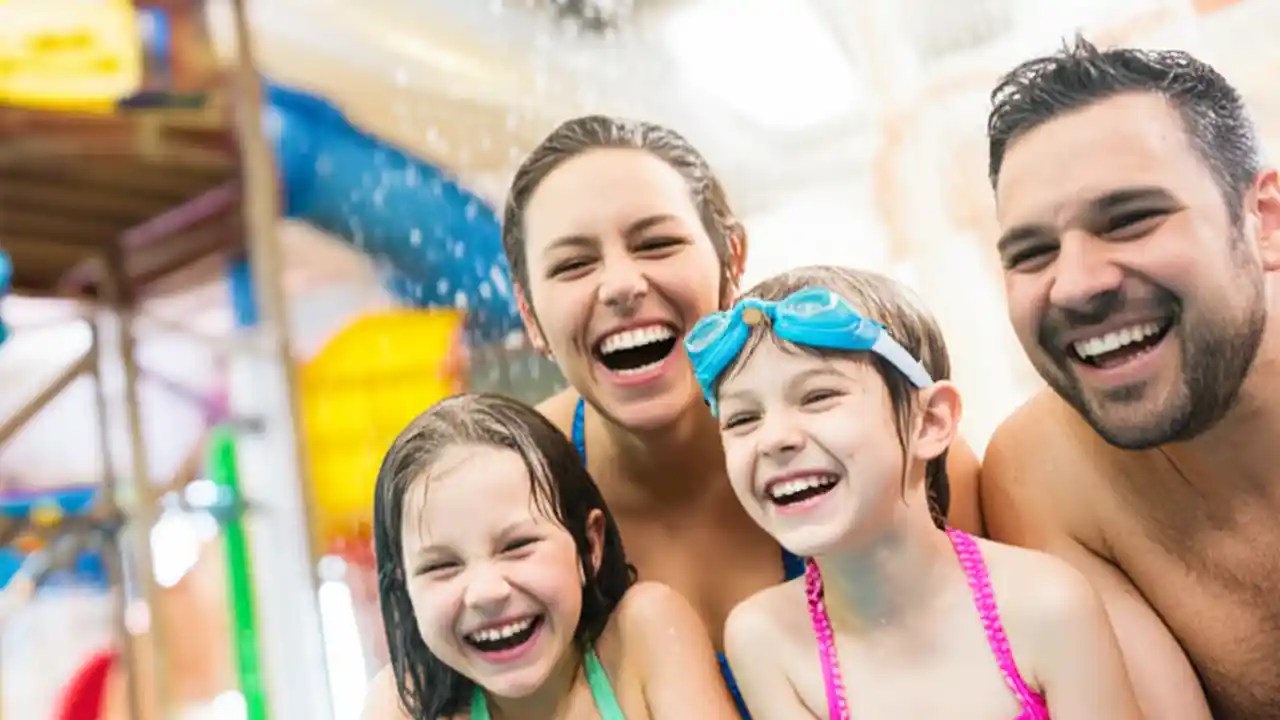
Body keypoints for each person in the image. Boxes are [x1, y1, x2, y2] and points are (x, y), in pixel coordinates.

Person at [496, 114, 986, 715]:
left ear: (732, 258)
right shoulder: (510, 494)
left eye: (657, 243)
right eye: (573, 265)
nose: (621, 285)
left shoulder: (901, 459)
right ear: (528, 312)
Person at [685, 264, 1141, 719]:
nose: (774, 438)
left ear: (931, 421)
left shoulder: (1045, 605)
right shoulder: (765, 639)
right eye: (743, 419)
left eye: (817, 397)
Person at [980, 35, 1278, 720]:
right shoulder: (1042, 473)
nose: (1076, 286)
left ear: (1264, 221)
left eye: (1132, 219)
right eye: (1032, 253)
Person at [362, 393, 738, 719]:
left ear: (589, 546)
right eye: (441, 567)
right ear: (405, 589)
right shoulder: (404, 707)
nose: (486, 592)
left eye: (517, 546)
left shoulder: (642, 639)